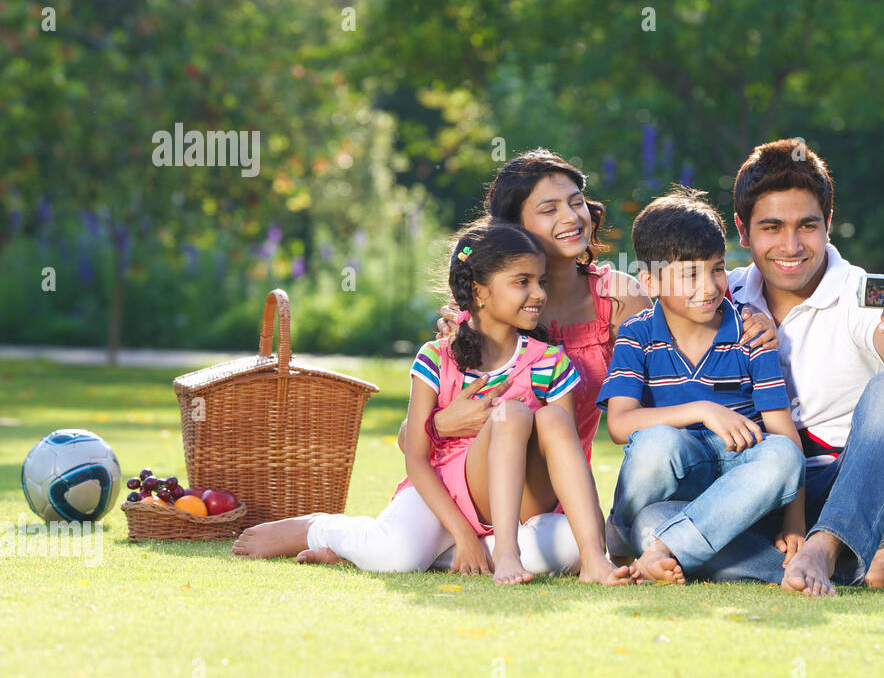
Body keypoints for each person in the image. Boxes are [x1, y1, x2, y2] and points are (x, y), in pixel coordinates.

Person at [393, 149, 778, 563]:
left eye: (577, 202)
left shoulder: (618, 297)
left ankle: (476, 549)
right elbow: (409, 442)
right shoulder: (486, 312)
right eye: (549, 208)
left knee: (578, 548)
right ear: (514, 227)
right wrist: (444, 421)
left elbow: (691, 302)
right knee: (394, 549)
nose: (572, 216)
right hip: (465, 481)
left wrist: (751, 319)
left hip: (552, 498)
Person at [624, 139, 884, 596]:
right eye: (772, 227)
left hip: (857, 494)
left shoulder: (856, 291)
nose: (791, 245)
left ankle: (827, 550)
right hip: (756, 494)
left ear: (827, 225)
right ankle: (860, 572)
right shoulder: (722, 294)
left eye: (807, 226)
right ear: (744, 234)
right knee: (653, 525)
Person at [234, 218, 636, 586]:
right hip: (446, 491)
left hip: (522, 507)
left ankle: (587, 563)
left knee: (569, 537)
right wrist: (463, 533)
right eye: (522, 282)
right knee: (396, 555)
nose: (539, 294)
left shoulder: (549, 361)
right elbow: (416, 457)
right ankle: (320, 528)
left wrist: (591, 547)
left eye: (541, 281)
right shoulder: (436, 356)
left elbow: (564, 457)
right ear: (479, 291)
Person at [598, 188, 807, 583]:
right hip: (671, 489)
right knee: (658, 442)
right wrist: (703, 410)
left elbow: (782, 432)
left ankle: (665, 549)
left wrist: (795, 522)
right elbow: (619, 425)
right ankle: (625, 540)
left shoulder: (751, 333)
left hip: (736, 484)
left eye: (716, 268)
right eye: (689, 274)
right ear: (651, 282)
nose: (709, 286)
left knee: (782, 454)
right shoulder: (636, 335)